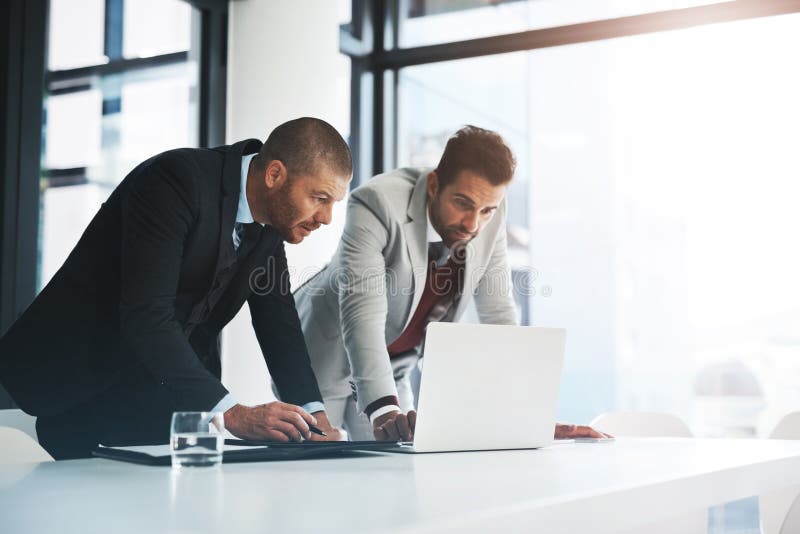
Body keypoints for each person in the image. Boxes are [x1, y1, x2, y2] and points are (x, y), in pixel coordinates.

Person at [0, 117, 351, 459]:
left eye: (333, 203)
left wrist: (315, 419)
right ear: (274, 175)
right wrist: (233, 414)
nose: (326, 218)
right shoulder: (175, 180)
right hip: (75, 389)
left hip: (157, 406)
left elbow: (280, 327)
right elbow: (146, 316)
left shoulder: (270, 226)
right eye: (319, 198)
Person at [294, 126, 607, 441]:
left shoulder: (490, 215)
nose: (473, 223)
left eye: (486, 210)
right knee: (320, 460)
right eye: (463, 204)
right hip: (324, 356)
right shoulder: (376, 203)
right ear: (434, 185)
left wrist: (527, 417)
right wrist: (385, 412)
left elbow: (499, 315)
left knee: (398, 460)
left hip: (392, 364)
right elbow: (363, 315)